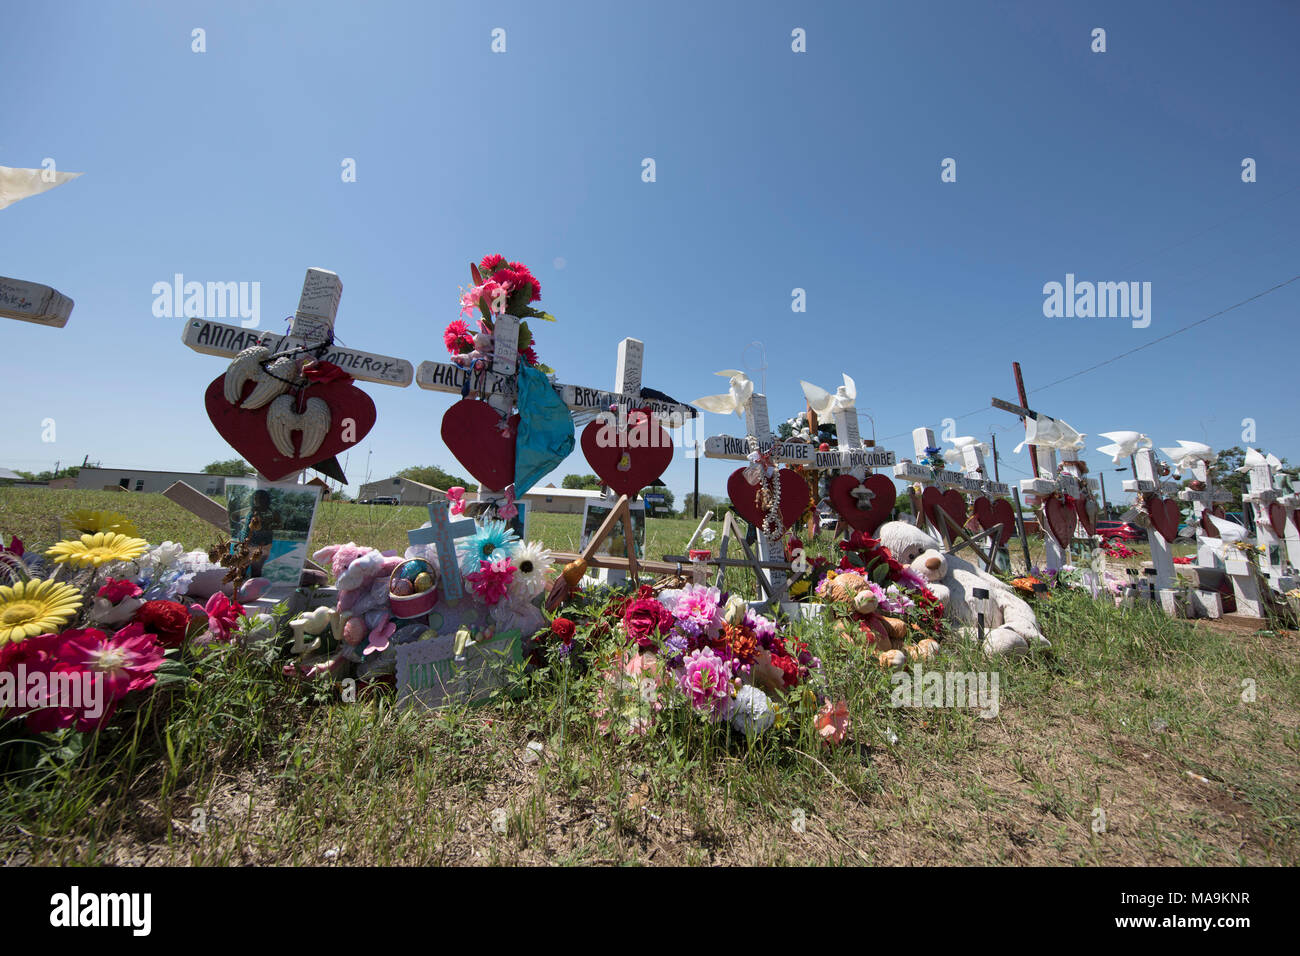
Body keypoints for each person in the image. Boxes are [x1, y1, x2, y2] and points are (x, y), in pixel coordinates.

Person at [242, 489, 280, 577]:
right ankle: (243, 588)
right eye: (255, 498)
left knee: (256, 569)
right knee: (243, 568)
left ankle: (255, 588)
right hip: (249, 543)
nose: (257, 501)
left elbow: (279, 524)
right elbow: (247, 528)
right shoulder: (251, 511)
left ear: (266, 500)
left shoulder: (271, 513)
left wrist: (270, 526)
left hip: (263, 544)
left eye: (260, 499)